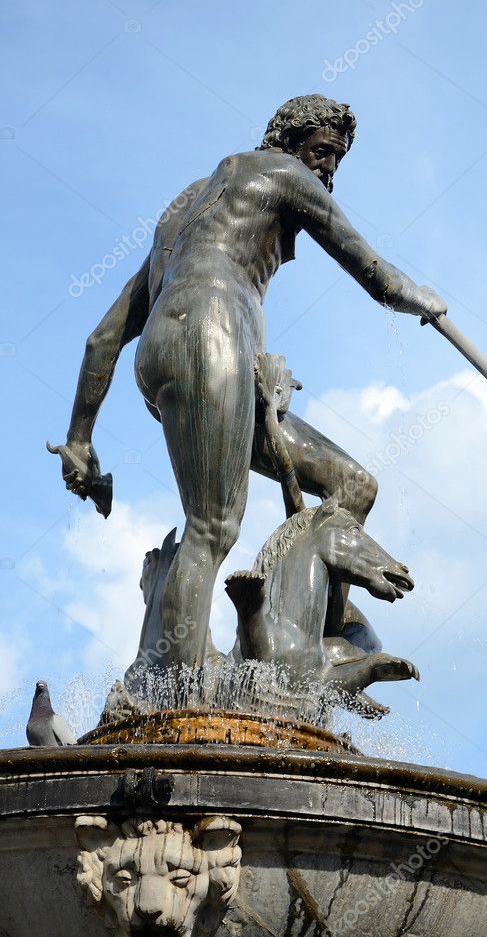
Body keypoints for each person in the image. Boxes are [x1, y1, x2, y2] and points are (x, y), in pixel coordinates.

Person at [52, 94, 447, 681]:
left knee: (352, 484)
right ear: (287, 142)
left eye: (336, 161)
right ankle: (180, 696)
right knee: (212, 527)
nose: (326, 171)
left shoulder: (185, 214)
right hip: (210, 334)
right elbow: (375, 274)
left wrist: (79, 441)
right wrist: (426, 300)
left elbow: (102, 339)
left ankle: (313, 643)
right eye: (321, 151)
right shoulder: (281, 171)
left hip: (175, 350)